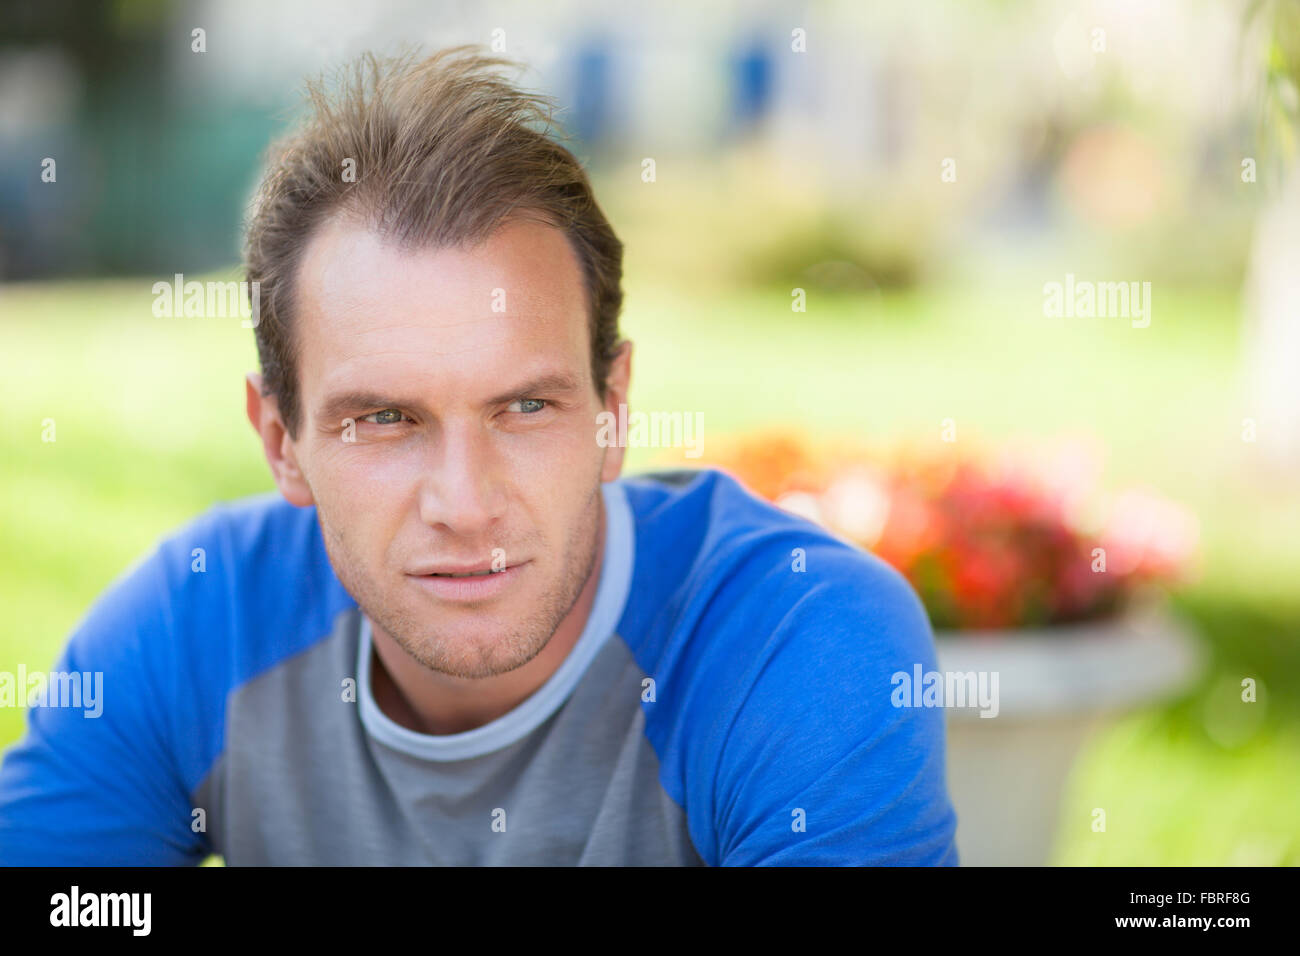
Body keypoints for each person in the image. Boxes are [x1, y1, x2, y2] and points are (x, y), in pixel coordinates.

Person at [0, 46, 958, 866]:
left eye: (526, 406)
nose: (464, 503)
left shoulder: (788, 638)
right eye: (384, 419)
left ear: (611, 412)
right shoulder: (201, 621)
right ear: (279, 442)